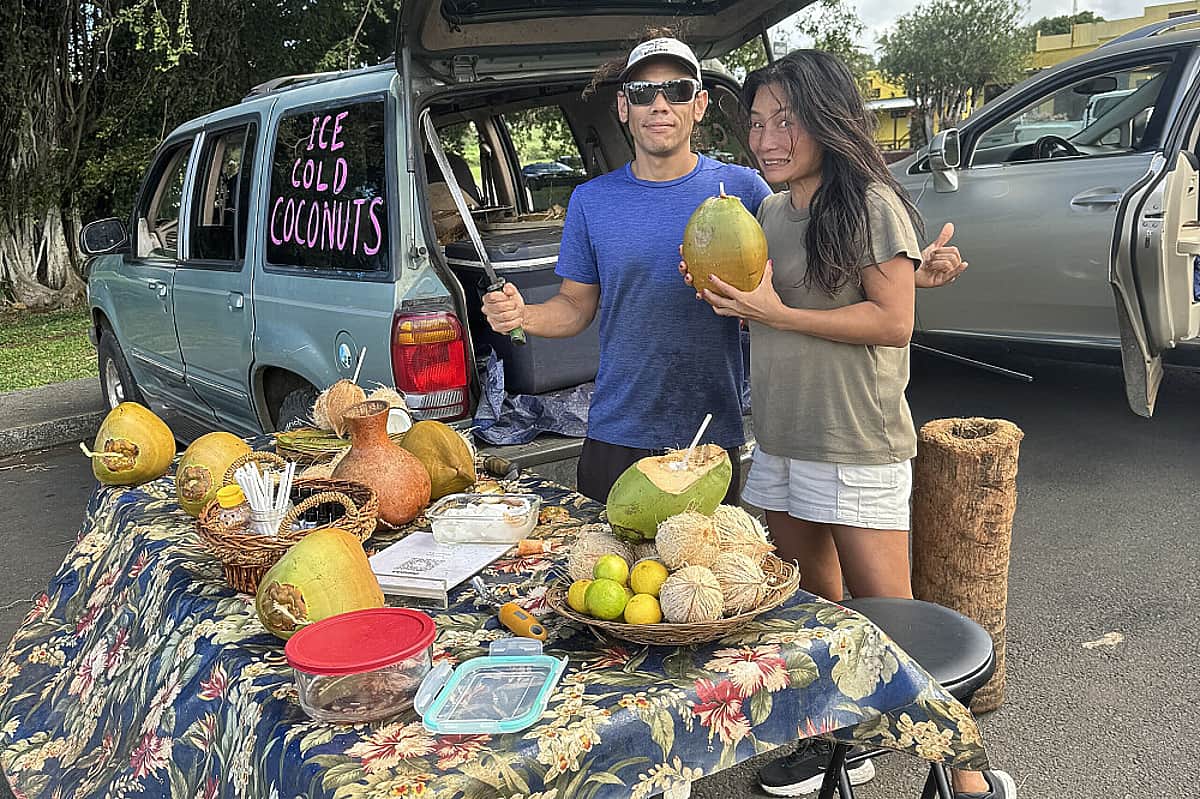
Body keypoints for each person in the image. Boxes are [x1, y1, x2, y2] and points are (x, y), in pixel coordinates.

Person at [685, 50, 1014, 799]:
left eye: (786, 120)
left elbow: (893, 321)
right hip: (783, 439)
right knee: (817, 613)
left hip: (856, 445)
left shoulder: (869, 201)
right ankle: (844, 745)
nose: (767, 138)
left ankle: (970, 777)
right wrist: (722, 291)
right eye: (758, 122)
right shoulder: (770, 211)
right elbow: (769, 299)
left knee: (892, 623)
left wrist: (777, 313)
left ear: (826, 120)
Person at [481, 34, 966, 508]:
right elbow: (574, 307)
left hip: (709, 427)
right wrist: (524, 315)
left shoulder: (747, 188)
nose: (660, 105)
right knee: (612, 572)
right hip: (617, 427)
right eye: (643, 93)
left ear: (700, 105)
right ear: (624, 107)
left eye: (677, 90)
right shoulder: (591, 202)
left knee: (703, 579)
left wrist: (907, 271)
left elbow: (810, 259)